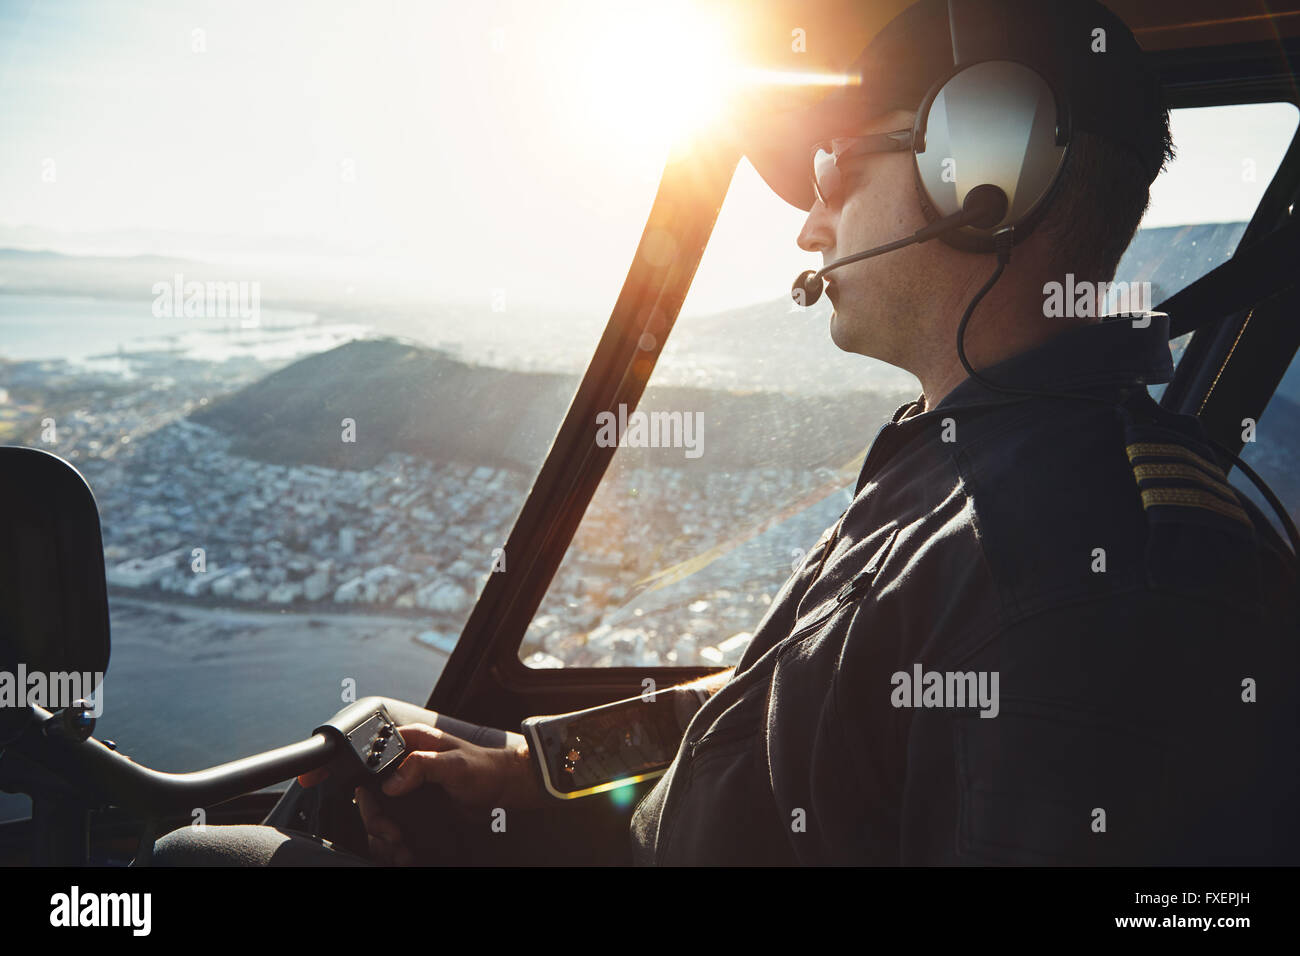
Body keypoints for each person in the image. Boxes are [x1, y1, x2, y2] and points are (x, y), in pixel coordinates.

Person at [150, 0, 1300, 867]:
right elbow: (801, 704)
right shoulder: (970, 465)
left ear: (983, 171)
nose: (806, 222)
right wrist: (534, 770)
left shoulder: (1099, 583)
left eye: (834, 171)